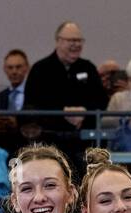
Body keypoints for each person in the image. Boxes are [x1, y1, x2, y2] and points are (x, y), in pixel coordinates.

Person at [23, 21, 108, 167]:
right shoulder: (40, 69)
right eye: (71, 40)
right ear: (58, 41)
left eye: (79, 40)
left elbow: (102, 101)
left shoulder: (88, 68)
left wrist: (84, 112)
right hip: (50, 142)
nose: (76, 44)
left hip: (84, 142)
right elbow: (32, 105)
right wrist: (63, 112)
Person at [0, 49, 33, 156]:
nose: (14, 71)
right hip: (4, 150)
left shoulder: (35, 94)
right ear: (4, 69)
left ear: (27, 68)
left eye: (18, 67)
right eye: (10, 68)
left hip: (29, 148)